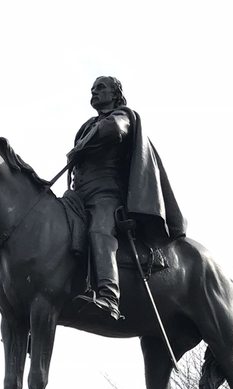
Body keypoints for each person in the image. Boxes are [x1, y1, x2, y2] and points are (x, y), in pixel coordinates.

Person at [67, 76, 187, 321]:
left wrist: (82, 146)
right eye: (92, 89)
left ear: (115, 93)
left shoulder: (123, 115)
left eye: (100, 88)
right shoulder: (88, 125)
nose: (94, 92)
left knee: (100, 232)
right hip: (78, 196)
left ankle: (109, 296)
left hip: (106, 195)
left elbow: (114, 130)